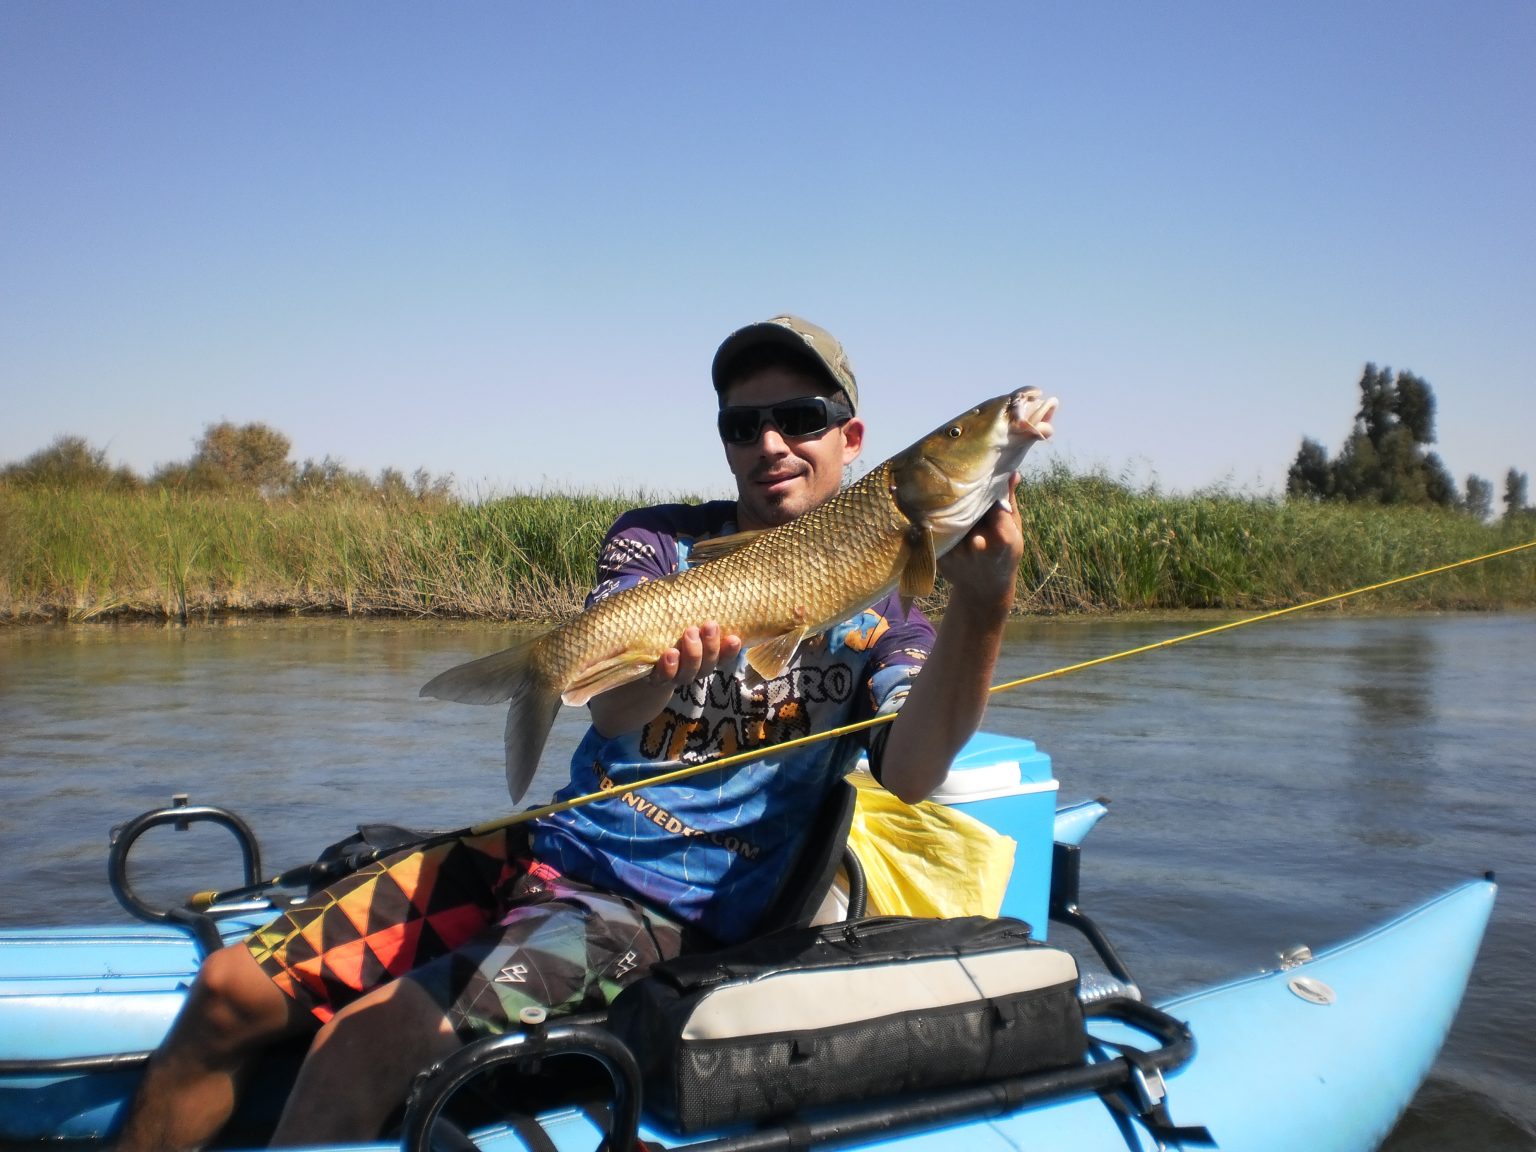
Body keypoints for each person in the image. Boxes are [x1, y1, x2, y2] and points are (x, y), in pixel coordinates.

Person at [117, 314, 1024, 1149]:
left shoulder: (895, 613)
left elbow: (910, 774)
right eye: (742, 426)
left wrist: (985, 605)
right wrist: (652, 677)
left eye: (802, 416)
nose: (771, 444)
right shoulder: (657, 543)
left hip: (656, 913)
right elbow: (613, 707)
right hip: (550, 848)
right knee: (229, 990)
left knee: (361, 1045)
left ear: (854, 439)